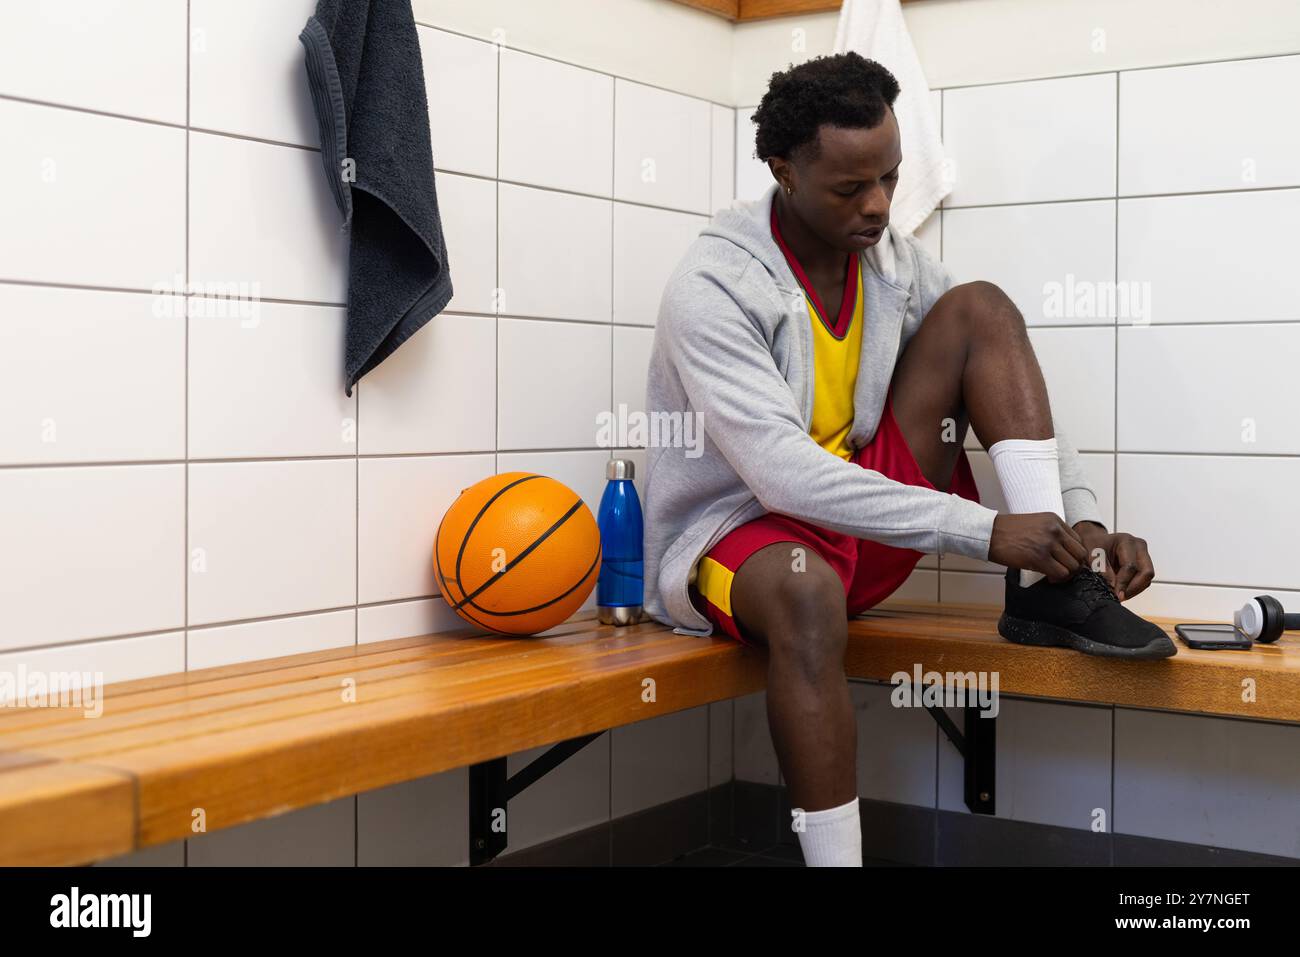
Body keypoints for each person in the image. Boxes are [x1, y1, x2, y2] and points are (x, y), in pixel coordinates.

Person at [640, 52, 1173, 867]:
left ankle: (1055, 590)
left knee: (982, 308)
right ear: (783, 170)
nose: (881, 205)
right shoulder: (712, 285)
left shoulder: (890, 260)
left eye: (888, 177)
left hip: (856, 528)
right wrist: (986, 527)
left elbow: (991, 352)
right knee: (806, 591)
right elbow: (781, 475)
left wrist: (1077, 524)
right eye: (851, 189)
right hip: (744, 541)